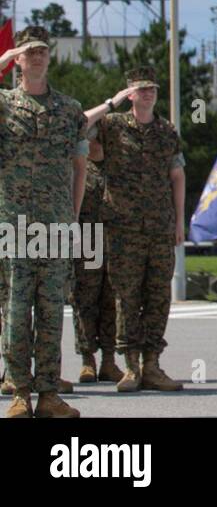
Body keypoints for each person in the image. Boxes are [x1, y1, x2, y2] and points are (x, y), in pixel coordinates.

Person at [0, 26, 87, 418]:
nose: (36, 57)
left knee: (52, 311)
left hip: (54, 226)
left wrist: (73, 216)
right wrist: (3, 58)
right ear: (17, 59)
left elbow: (79, 167)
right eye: (28, 51)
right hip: (14, 226)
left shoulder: (69, 110)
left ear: (50, 57)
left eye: (42, 51)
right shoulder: (4, 105)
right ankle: (20, 392)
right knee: (17, 312)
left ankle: (49, 392)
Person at [82, 65, 185, 393]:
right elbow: (79, 125)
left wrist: (180, 221)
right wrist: (110, 103)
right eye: (141, 89)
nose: (148, 93)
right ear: (130, 94)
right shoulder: (112, 125)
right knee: (126, 297)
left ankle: (151, 364)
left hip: (159, 226)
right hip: (123, 228)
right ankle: (130, 367)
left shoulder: (167, 130)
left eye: (152, 88)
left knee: (158, 296)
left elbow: (177, 176)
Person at [72, 142, 122, 383]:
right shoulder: (80, 167)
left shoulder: (117, 168)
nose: (95, 142)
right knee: (85, 302)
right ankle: (87, 360)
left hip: (114, 241)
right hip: (88, 241)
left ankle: (109, 361)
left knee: (111, 302)